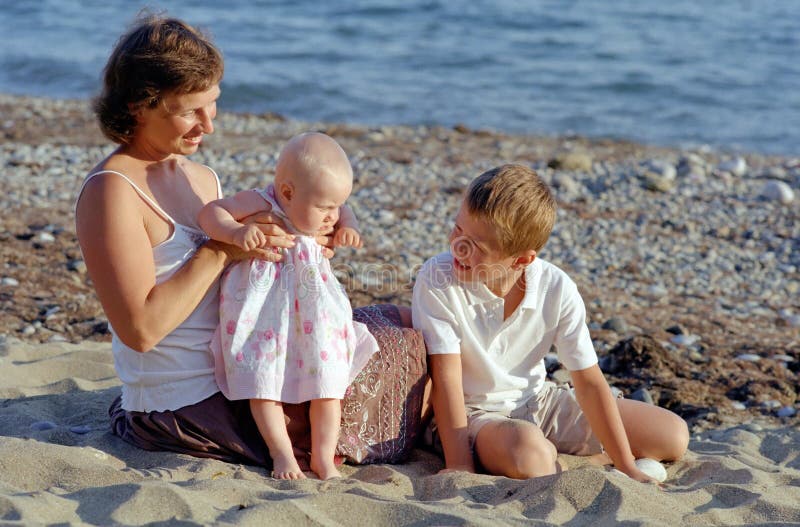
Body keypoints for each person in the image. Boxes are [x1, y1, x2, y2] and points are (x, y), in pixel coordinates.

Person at [74, 14, 334, 470]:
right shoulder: (112, 191)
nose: (208, 125)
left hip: (239, 374)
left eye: (213, 104)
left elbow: (229, 287)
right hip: (182, 404)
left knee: (388, 329)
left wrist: (291, 244)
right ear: (139, 105)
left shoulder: (200, 177)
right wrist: (222, 249)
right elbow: (140, 331)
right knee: (389, 372)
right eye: (190, 111)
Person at [411, 164, 689, 481]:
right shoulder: (438, 278)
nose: (458, 247)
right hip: (470, 415)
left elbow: (589, 382)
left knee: (672, 435)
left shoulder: (556, 288)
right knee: (528, 453)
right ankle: (559, 461)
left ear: (522, 260)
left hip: (539, 402)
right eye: (457, 229)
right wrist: (460, 464)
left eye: (477, 246)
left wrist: (626, 465)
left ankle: (577, 459)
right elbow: (446, 380)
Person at [197, 132, 378, 480]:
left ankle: (323, 457)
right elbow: (211, 212)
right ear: (288, 193)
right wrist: (234, 232)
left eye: (336, 206)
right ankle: (281, 455)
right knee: (262, 380)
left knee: (329, 383)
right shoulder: (261, 202)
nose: (332, 216)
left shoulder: (326, 205)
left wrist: (349, 226)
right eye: (324, 208)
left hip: (316, 314)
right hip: (264, 314)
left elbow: (344, 209)